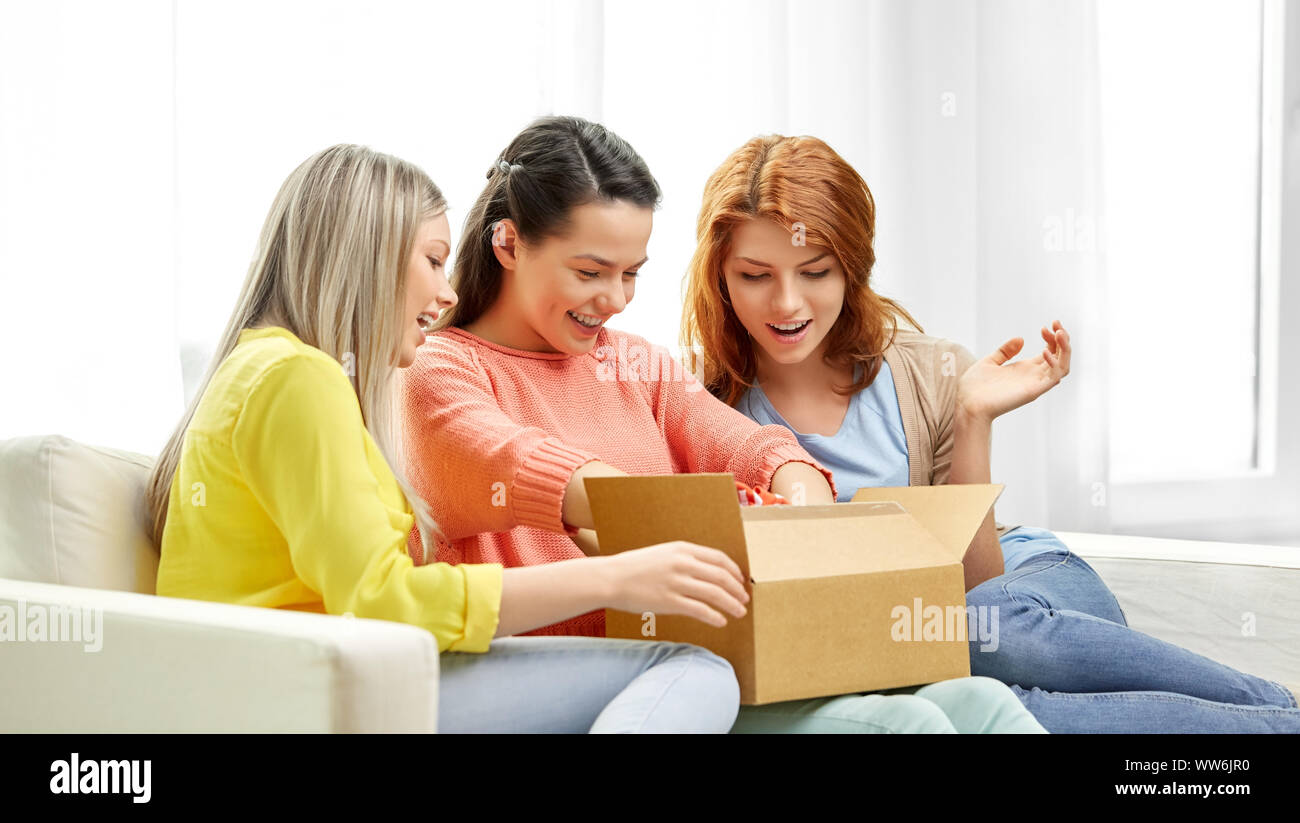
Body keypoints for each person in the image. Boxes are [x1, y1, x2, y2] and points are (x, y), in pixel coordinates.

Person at [402, 116, 1047, 734]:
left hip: (702, 659)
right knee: (911, 723)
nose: (617, 299)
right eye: (590, 272)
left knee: (982, 702)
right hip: (587, 678)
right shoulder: (439, 372)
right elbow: (532, 468)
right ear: (509, 243)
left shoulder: (634, 363)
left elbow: (756, 447)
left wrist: (799, 500)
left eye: (632, 274)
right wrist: (687, 528)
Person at [681, 133, 1300, 733]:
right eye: (756, 276)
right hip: (915, 641)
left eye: (814, 272)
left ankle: (1279, 708)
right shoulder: (698, 406)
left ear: (851, 270)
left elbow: (979, 584)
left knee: (972, 623)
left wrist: (973, 419)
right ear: (721, 278)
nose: (787, 304)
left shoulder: (929, 370)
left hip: (1027, 592)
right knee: (980, 711)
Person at [145, 144, 747, 734]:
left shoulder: (262, 369)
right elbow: (383, 600)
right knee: (693, 670)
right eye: (433, 260)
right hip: (305, 696)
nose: (447, 291)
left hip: (290, 684)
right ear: (368, 258)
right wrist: (618, 578)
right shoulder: (299, 377)